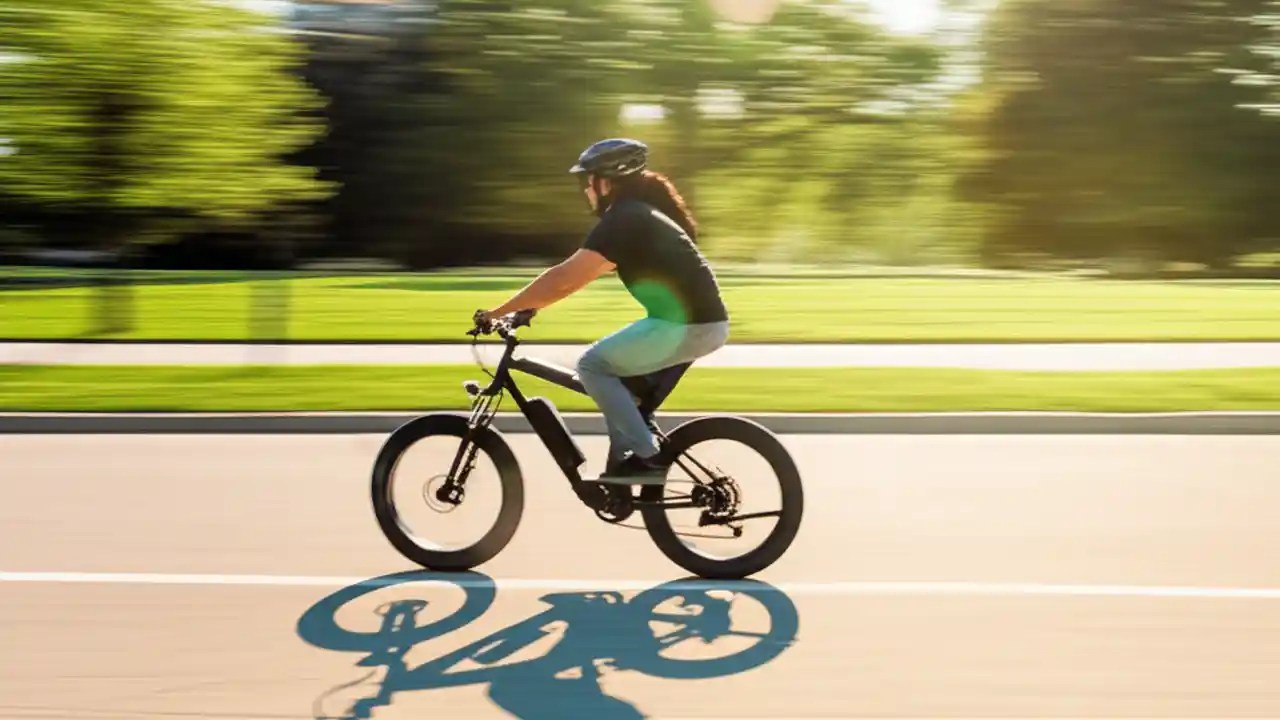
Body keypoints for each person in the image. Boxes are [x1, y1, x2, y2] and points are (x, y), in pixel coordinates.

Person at [477, 138, 730, 484]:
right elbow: (581, 276)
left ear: (606, 181)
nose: (586, 191)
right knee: (618, 382)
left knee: (592, 365)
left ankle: (647, 461)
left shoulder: (626, 218)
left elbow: (564, 278)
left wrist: (497, 312)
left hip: (688, 326)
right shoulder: (635, 216)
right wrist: (529, 307)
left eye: (588, 181)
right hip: (689, 324)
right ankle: (625, 469)